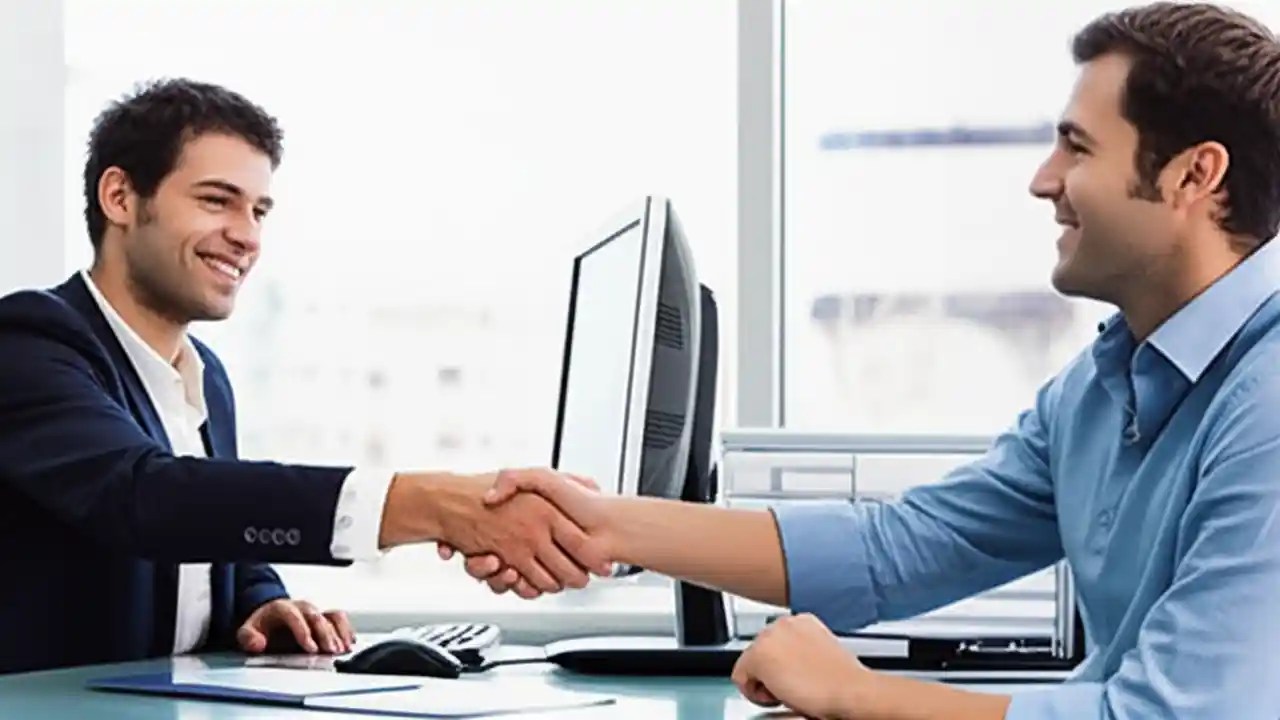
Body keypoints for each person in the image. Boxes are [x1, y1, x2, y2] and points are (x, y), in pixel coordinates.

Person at [444, 3, 1280, 718]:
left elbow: (1177, 714)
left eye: (1076, 147)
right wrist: (601, 522)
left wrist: (860, 693)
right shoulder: (1101, 386)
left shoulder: (1266, 400)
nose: (1042, 179)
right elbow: (898, 550)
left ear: (1193, 176)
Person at [0, 79, 609, 675]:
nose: (247, 235)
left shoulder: (205, 377)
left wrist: (260, 601)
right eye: (217, 200)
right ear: (120, 199)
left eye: (258, 210)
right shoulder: (28, 341)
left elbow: (212, 528)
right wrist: (434, 504)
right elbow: (146, 497)